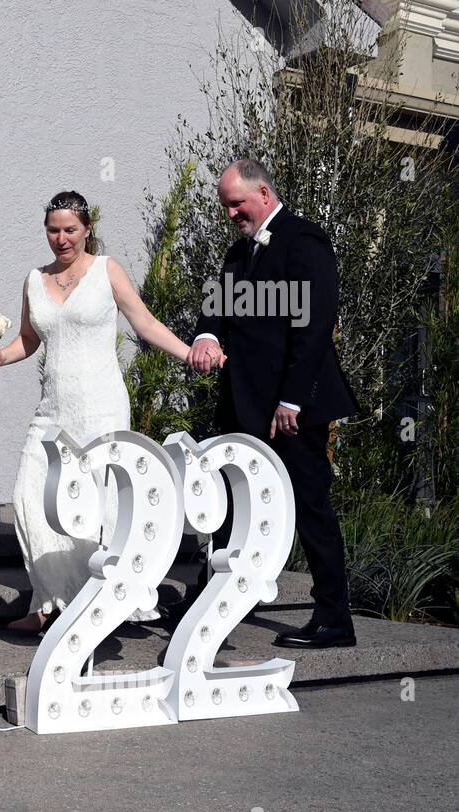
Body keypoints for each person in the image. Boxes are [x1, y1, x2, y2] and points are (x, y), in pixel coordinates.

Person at [0, 191, 215, 632]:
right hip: (52, 411)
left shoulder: (107, 271)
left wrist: (190, 354)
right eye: (53, 230)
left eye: (70, 229)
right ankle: (50, 599)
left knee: (97, 506)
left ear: (87, 229)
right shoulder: (34, 279)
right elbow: (29, 340)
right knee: (31, 496)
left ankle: (96, 599)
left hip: (101, 409)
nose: (62, 238)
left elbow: (145, 322)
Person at [181, 159, 360, 649]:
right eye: (226, 205)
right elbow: (217, 307)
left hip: (291, 409)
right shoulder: (239, 251)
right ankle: (214, 597)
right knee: (229, 501)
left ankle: (334, 619)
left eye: (237, 203)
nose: (231, 213)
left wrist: (292, 400)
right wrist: (206, 336)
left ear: (263, 193)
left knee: (310, 506)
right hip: (242, 403)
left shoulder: (305, 240)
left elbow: (315, 326)